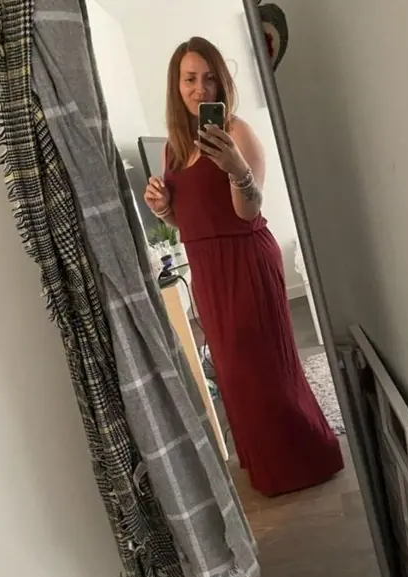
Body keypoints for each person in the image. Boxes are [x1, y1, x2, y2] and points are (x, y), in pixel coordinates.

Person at [143, 36, 344, 496]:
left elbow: (247, 212)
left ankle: (307, 461)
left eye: (209, 78)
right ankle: (266, 465)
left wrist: (236, 168)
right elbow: (187, 221)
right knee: (234, 375)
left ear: (221, 83)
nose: (200, 88)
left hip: (246, 259)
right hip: (206, 269)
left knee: (265, 370)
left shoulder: (237, 132)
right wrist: (162, 208)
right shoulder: (173, 148)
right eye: (190, 79)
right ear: (176, 85)